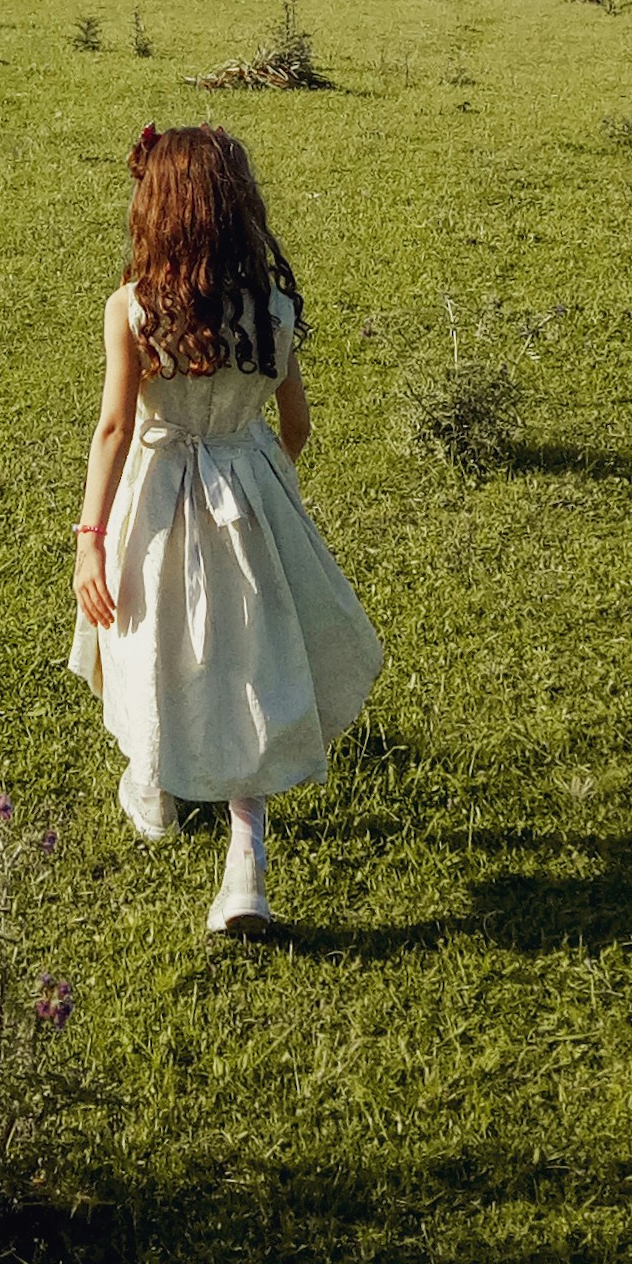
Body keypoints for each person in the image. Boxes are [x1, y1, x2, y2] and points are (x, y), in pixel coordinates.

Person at [68, 122, 384, 937]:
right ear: (236, 211)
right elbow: (298, 423)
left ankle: (158, 779)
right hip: (250, 495)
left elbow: (111, 428)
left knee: (149, 642)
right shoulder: (271, 310)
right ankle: (245, 861)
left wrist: (90, 536)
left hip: (154, 502)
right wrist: (262, 471)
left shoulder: (131, 309)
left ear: (157, 213)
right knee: (248, 662)